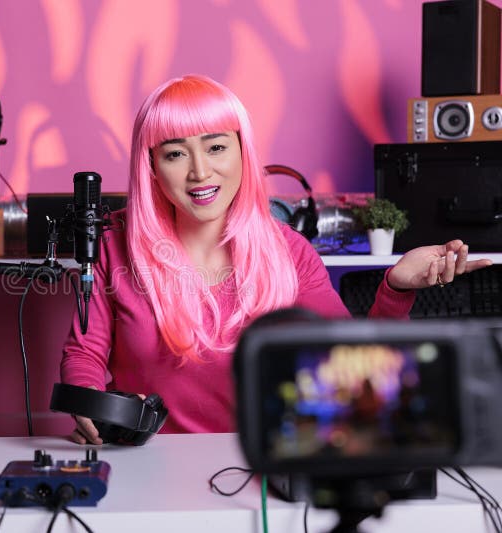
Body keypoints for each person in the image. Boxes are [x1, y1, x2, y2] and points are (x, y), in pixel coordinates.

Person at [60, 74, 492, 444]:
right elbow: (85, 354)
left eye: (215, 148)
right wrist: (94, 406)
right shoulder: (112, 243)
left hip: (262, 463)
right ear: (151, 165)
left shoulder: (289, 252)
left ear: (242, 152)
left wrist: (395, 289)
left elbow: (352, 363)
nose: (199, 172)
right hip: (148, 464)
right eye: (175, 153)